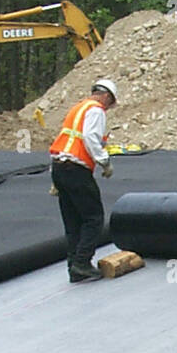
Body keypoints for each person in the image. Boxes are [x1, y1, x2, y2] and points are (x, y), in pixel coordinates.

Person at [49, 78, 118, 282]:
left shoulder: (77, 109)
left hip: (60, 167)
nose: (109, 106)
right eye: (111, 102)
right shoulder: (96, 110)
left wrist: (55, 177)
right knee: (93, 218)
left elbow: (63, 140)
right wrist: (104, 162)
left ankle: (74, 265)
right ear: (106, 96)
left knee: (73, 221)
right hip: (76, 169)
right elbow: (90, 137)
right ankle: (82, 263)